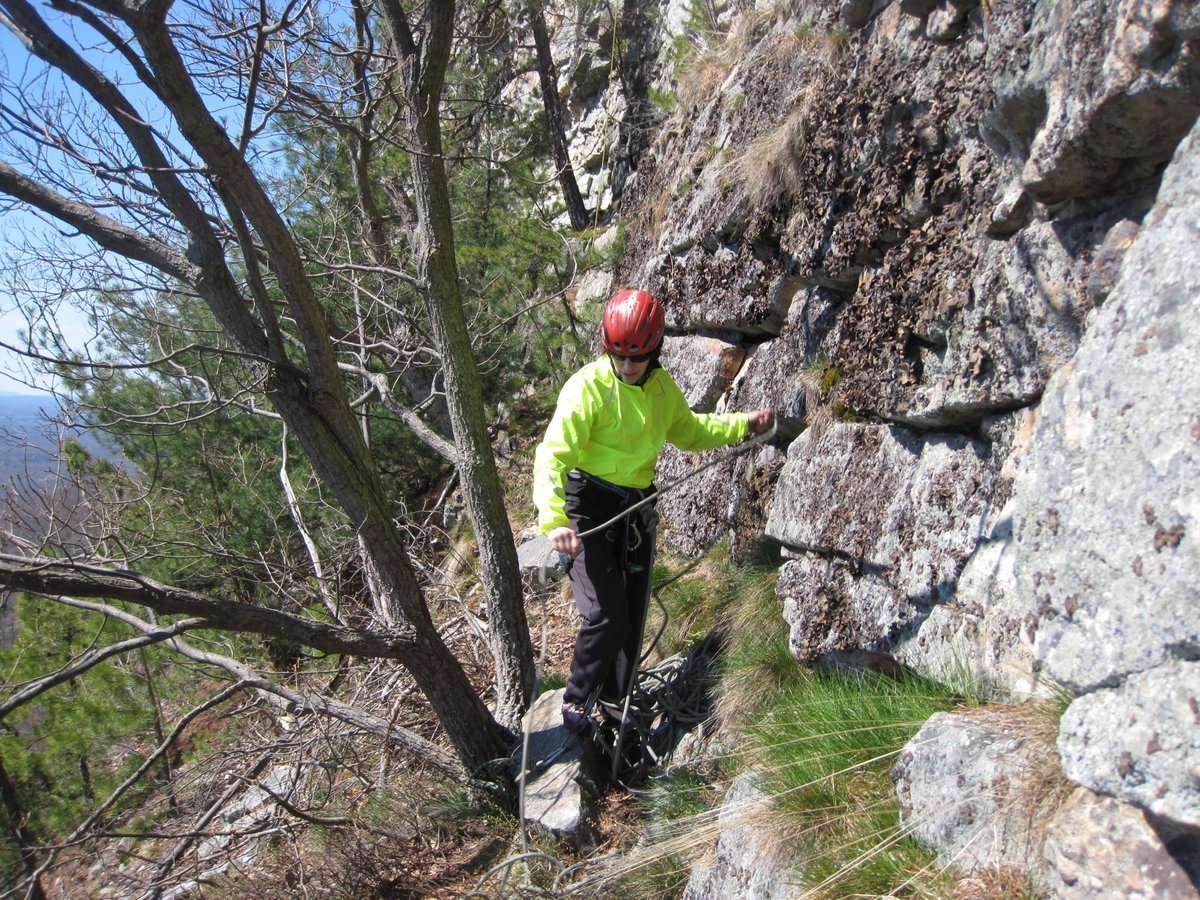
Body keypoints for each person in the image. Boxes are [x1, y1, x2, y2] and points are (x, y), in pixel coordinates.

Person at [532, 289, 774, 734]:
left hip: (636, 510)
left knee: (632, 616)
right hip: (587, 509)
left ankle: (617, 703)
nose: (628, 366)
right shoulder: (587, 387)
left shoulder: (661, 389)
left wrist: (743, 424)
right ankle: (577, 699)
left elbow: (690, 430)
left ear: (655, 350)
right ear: (607, 348)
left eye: (638, 357)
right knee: (606, 612)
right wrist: (555, 520)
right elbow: (553, 455)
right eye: (620, 356)